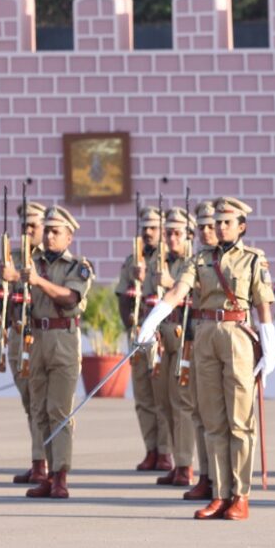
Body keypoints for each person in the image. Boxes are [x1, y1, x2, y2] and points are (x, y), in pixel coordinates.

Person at [140, 196, 275, 521]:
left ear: (241, 226)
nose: (219, 227)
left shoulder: (253, 260)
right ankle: (219, 493)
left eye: (226, 222)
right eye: (217, 222)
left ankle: (240, 495)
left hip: (238, 335)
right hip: (204, 335)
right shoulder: (199, 260)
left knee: (239, 422)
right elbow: (178, 291)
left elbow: (263, 306)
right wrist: (152, 321)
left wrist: (269, 347)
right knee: (212, 420)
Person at [23, 205, 93, 500]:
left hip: (63, 339)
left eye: (56, 232)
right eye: (47, 230)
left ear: (69, 237)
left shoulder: (77, 266)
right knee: (39, 409)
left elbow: (70, 297)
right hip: (36, 338)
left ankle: (61, 475)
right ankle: (47, 473)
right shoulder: (31, 262)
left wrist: (38, 281)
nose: (49, 236)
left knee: (60, 411)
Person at [117, 206, 170, 473]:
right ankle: (150, 449)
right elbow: (123, 299)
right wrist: (131, 324)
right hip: (139, 335)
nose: (148, 233)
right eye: (145, 228)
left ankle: (166, 451)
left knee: (162, 395)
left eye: (153, 228)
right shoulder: (132, 262)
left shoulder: (169, 260)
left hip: (162, 335)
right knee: (143, 396)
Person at [0, 202, 48, 485]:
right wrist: (2, 328)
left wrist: (17, 275)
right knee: (29, 401)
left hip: (41, 335)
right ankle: (38, 460)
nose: (28, 231)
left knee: (43, 401)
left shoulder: (48, 258)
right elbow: (3, 298)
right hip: (18, 334)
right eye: (25, 226)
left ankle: (48, 462)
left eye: (34, 226)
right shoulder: (12, 256)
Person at [151, 207, 197, 488]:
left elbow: (197, 295)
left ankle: (185, 464)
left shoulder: (194, 262)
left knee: (182, 403)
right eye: (168, 233)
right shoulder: (161, 261)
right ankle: (173, 457)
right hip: (164, 335)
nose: (171, 238)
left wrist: (171, 284)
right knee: (165, 402)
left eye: (177, 233)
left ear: (189, 236)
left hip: (185, 335)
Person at [182, 201, 219, 501]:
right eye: (201, 227)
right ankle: (205, 475)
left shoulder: (238, 261)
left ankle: (225, 481)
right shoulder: (195, 262)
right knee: (199, 412)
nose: (206, 232)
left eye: (212, 226)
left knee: (223, 416)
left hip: (224, 342)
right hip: (197, 338)